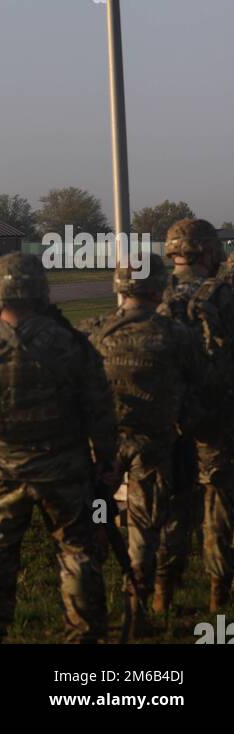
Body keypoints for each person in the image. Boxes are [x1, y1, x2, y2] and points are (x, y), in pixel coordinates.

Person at [0, 252, 116, 644]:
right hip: (63, 469)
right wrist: (106, 462)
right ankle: (84, 632)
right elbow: (99, 407)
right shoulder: (69, 343)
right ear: (42, 293)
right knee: (76, 550)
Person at [81, 254, 201, 633]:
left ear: (120, 285)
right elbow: (202, 383)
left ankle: (88, 607)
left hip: (102, 448)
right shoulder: (175, 334)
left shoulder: (93, 331)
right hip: (153, 446)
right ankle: (137, 608)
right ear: (158, 287)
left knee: (96, 517)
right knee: (145, 527)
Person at [156, 219, 234, 613]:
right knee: (218, 501)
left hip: (165, 416)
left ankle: (161, 593)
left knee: (172, 502)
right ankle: (219, 595)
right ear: (204, 249)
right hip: (216, 416)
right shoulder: (220, 294)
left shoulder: (150, 291)